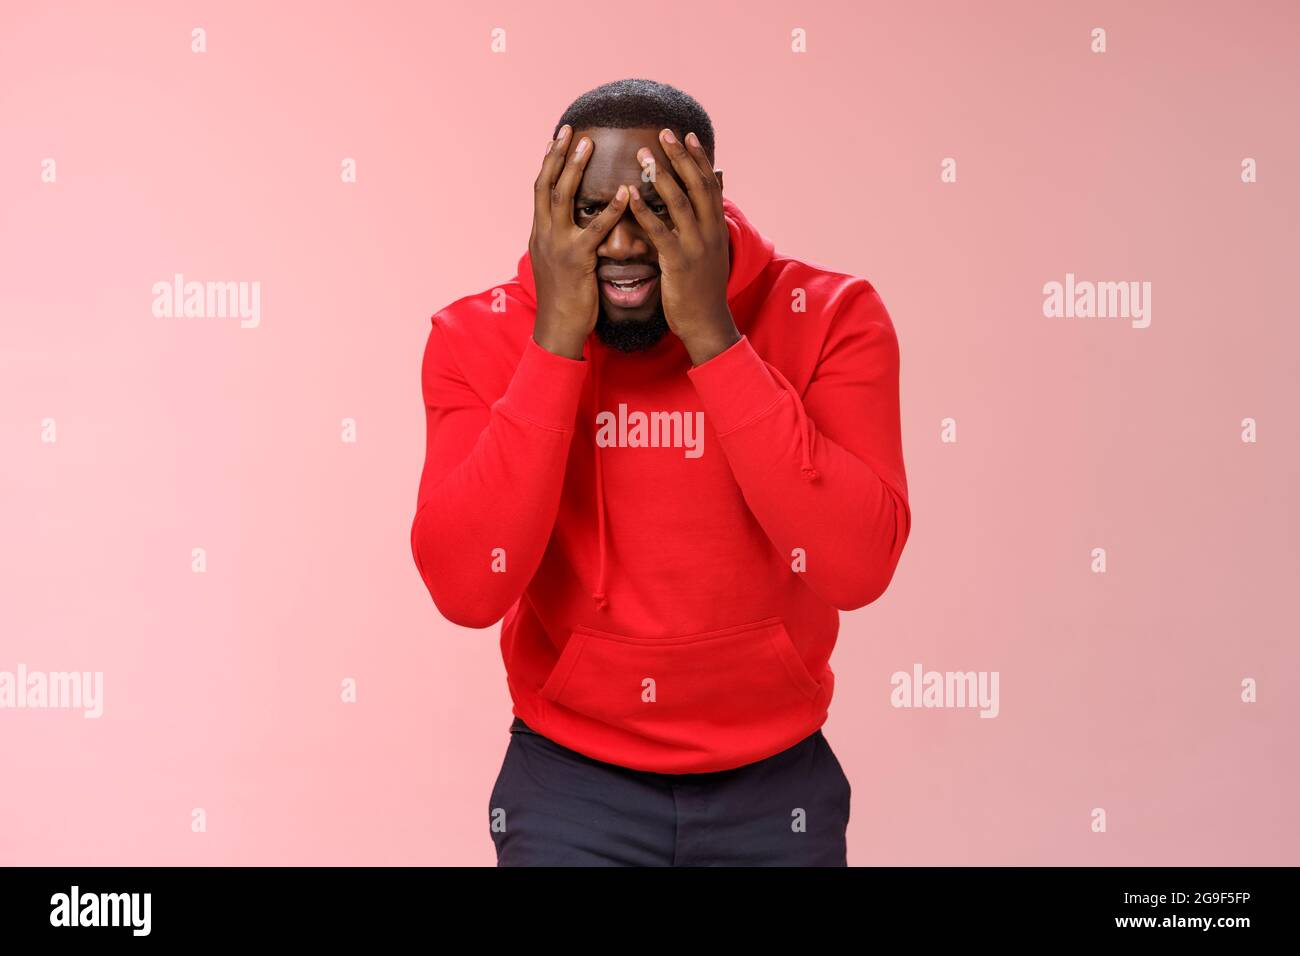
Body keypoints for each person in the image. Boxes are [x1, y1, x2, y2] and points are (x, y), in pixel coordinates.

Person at [410, 78, 911, 866]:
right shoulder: (477, 336)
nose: (622, 242)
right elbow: (467, 591)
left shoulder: (832, 316)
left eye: (657, 205)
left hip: (777, 786)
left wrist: (714, 334)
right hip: (569, 786)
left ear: (711, 198)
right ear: (548, 212)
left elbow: (856, 567)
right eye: (590, 210)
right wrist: (553, 346)